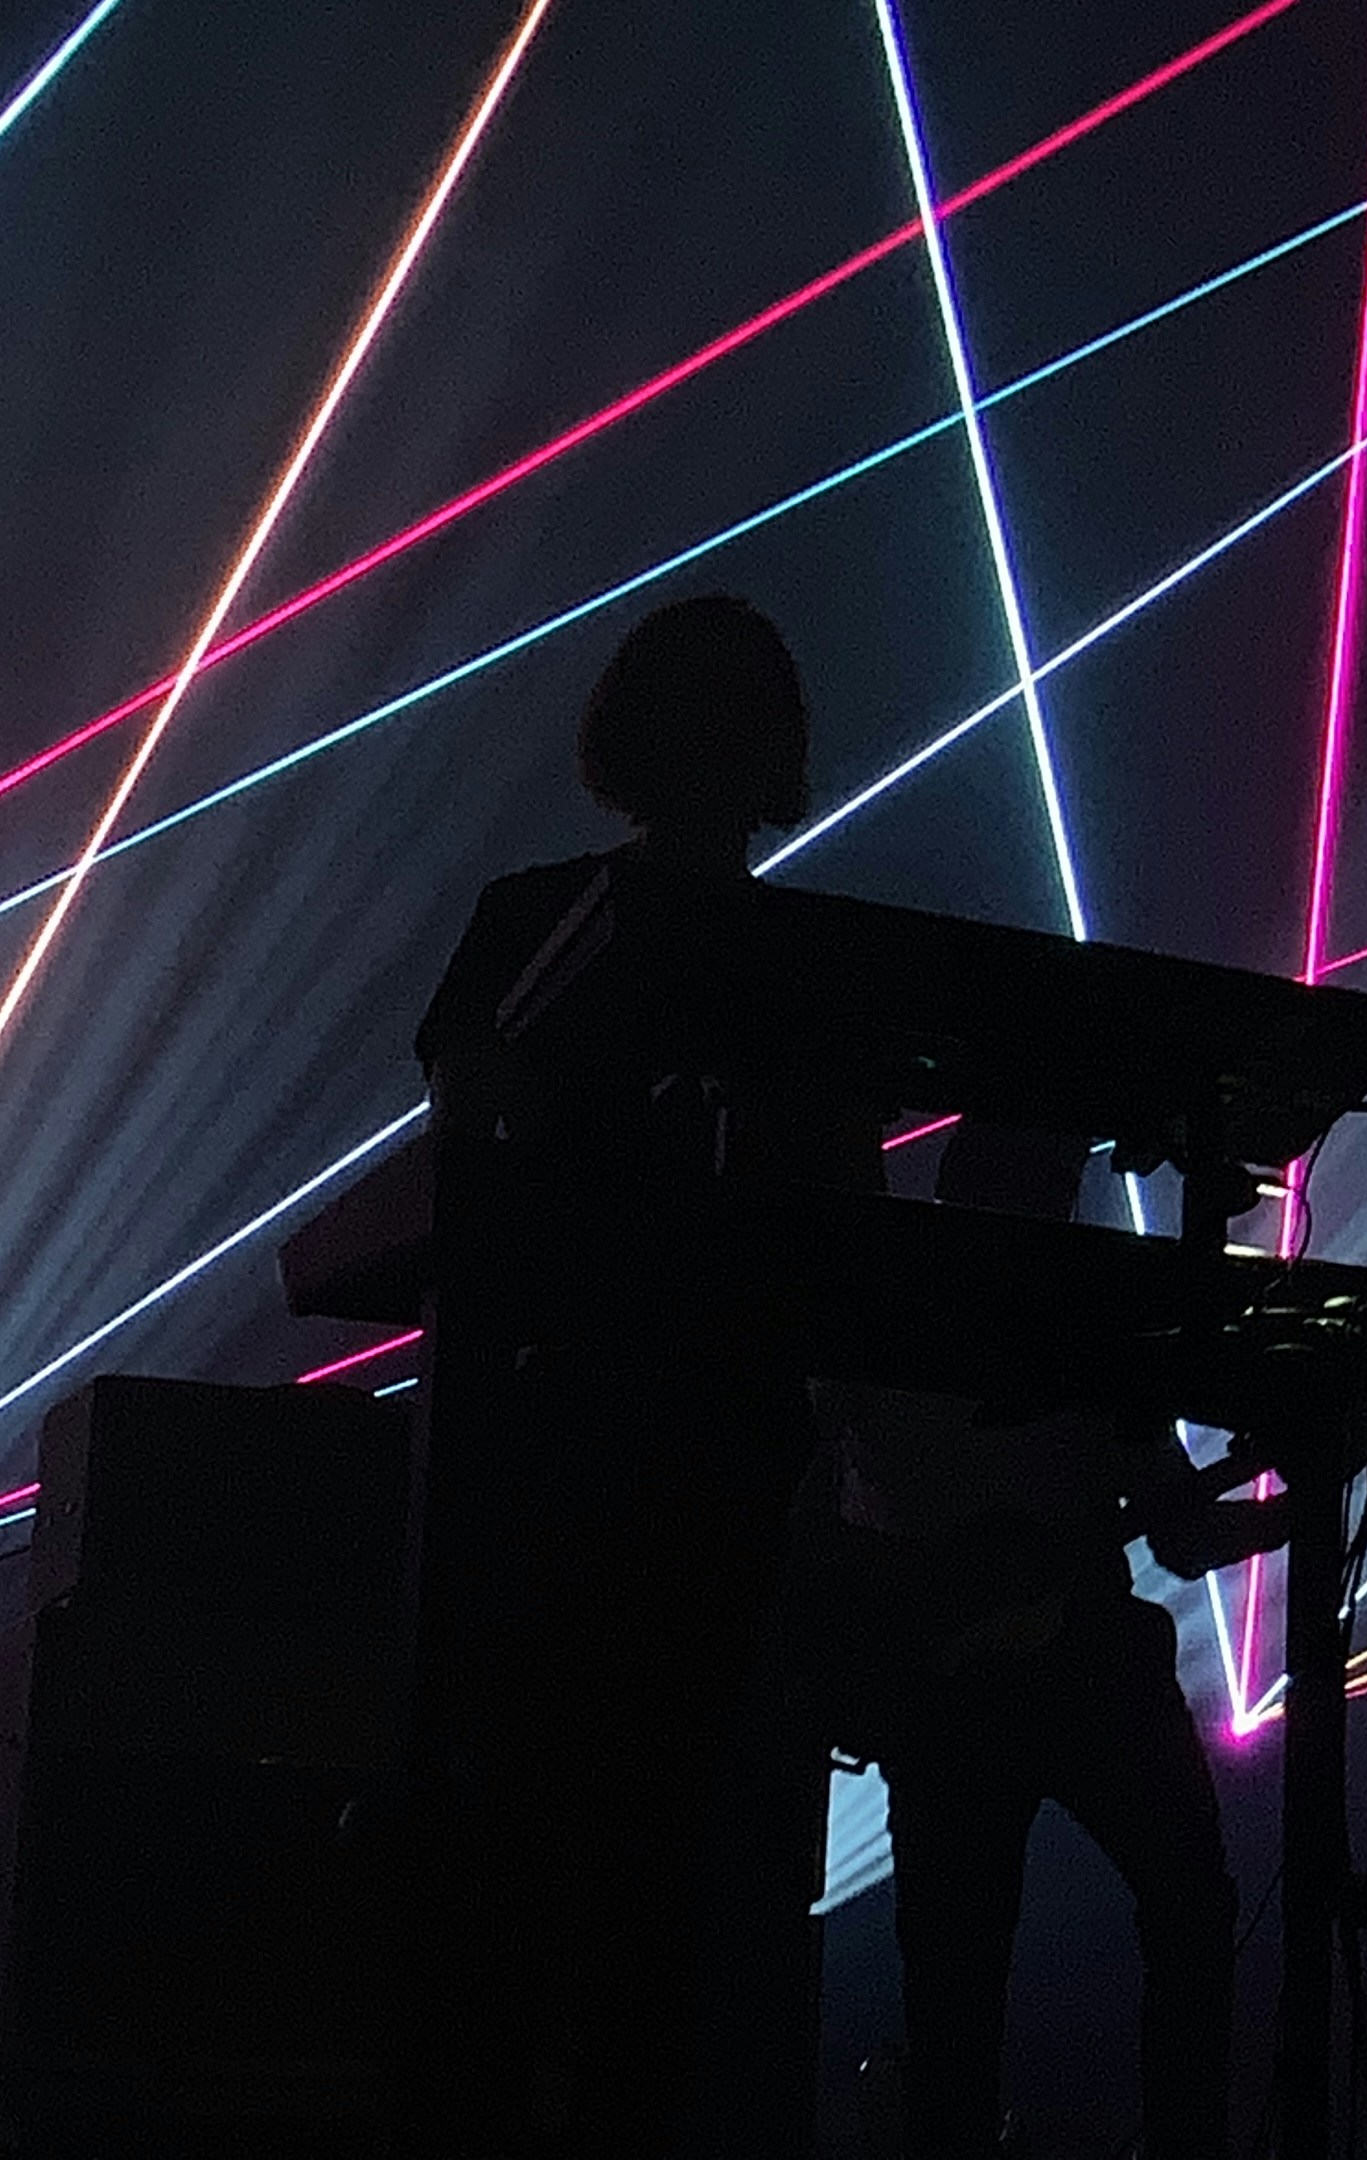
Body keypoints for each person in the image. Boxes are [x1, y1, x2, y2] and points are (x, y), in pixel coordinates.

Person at [402, 595, 867, 2155]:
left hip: (672, 1472)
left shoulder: (790, 969)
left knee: (627, 1889)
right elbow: (477, 1124)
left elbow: (836, 1222)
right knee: (564, 1881)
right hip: (566, 1467)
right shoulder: (546, 926)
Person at [811, 1119, 1278, 2160]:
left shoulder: (886, 1311)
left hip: (972, 1691)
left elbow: (817, 1504)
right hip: (1047, 1680)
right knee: (1177, 1915)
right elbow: (1188, 1535)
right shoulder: (1061, 1321)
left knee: (956, 1981)